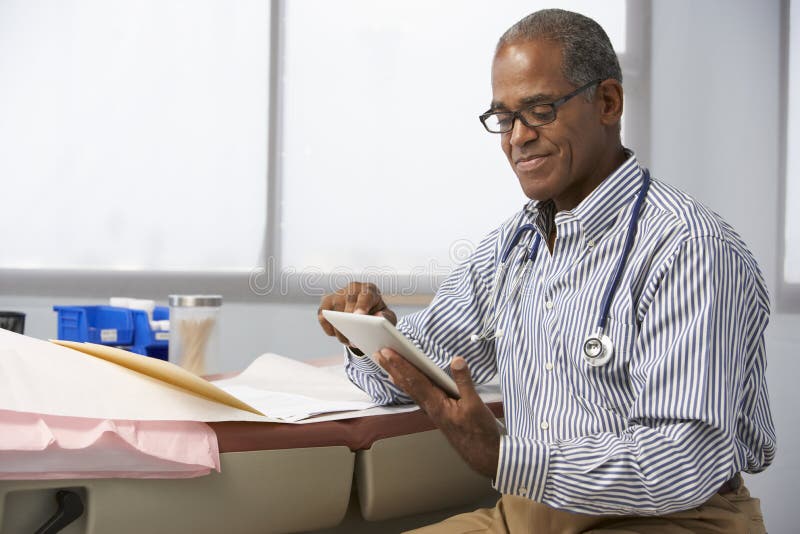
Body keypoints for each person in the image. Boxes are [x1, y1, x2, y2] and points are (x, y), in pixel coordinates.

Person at [318, 9, 775, 533]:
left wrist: (504, 457)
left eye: (539, 109)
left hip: (673, 518)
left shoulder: (689, 249)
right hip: (528, 515)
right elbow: (420, 372)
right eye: (504, 117)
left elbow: (682, 463)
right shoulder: (512, 249)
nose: (518, 137)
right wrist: (371, 332)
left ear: (608, 103)